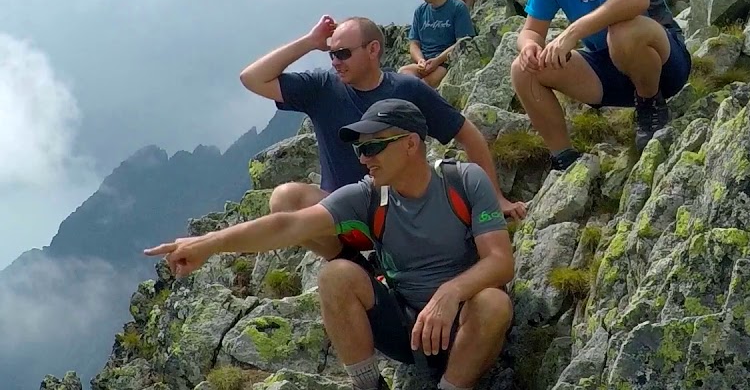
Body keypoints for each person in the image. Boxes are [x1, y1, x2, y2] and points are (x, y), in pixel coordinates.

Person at [145, 99, 515, 390]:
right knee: (337, 275)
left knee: (494, 302)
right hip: (407, 329)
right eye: (360, 151)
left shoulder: (464, 181)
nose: (364, 159)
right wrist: (208, 244)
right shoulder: (368, 196)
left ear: (410, 144)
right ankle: (368, 386)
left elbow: (500, 262)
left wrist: (450, 293)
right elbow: (288, 225)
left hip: (465, 323)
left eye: (374, 148)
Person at [240, 15, 527, 256]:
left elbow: (468, 135)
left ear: (373, 49)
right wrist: (309, 41)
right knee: (283, 199)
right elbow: (252, 78)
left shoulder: (407, 89)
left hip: (402, 213)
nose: (335, 62)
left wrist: (496, 198)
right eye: (331, 54)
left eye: (343, 53)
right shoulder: (321, 88)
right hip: (343, 212)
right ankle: (351, 263)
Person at [510, 0, 691, 170]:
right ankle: (564, 158)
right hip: (610, 72)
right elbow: (530, 31)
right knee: (522, 69)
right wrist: (529, 48)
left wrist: (574, 31)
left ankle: (650, 106)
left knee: (623, 31)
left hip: (665, 64)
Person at [399, 0, 476, 88]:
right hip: (424, 64)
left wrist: (437, 60)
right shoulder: (420, 11)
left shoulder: (458, 8)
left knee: (425, 84)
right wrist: (420, 60)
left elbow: (463, 41)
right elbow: (414, 43)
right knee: (402, 74)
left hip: (446, 63)